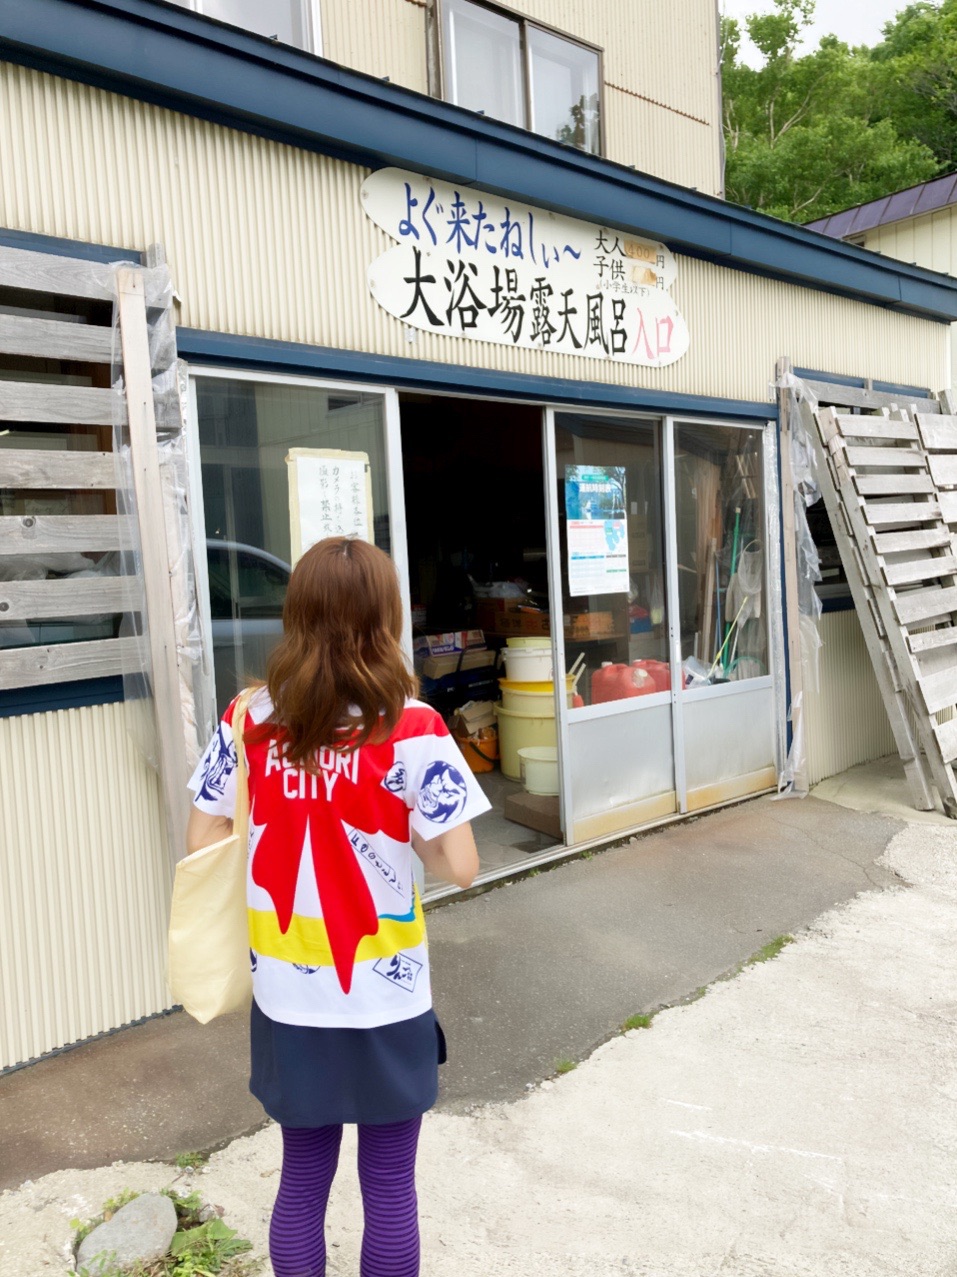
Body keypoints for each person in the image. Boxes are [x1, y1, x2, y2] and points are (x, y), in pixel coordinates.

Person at [186, 536, 490, 1277]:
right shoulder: (411, 725)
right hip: (386, 993)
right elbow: (463, 865)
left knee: (301, 1179)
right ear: (384, 617)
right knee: (388, 1186)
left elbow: (203, 835)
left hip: (289, 992)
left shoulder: (246, 718)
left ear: (297, 614)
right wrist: (402, 828)